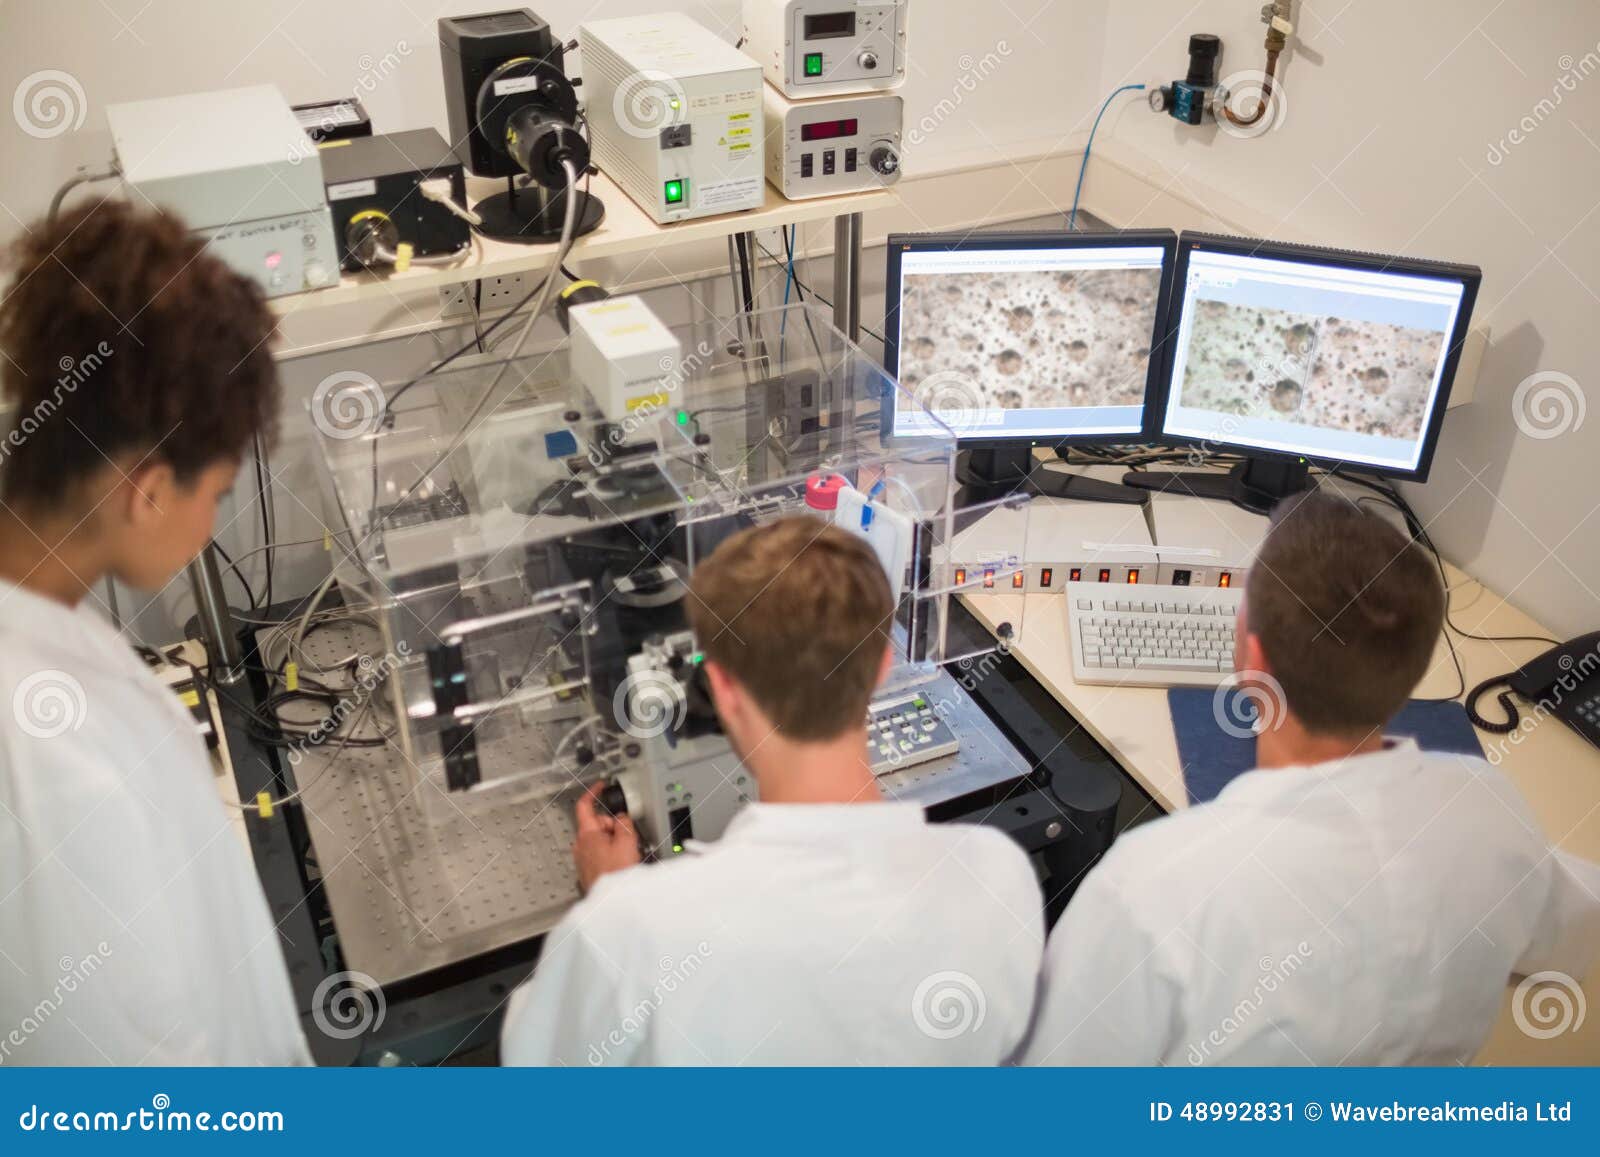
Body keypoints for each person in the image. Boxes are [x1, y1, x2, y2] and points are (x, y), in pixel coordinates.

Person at [1022, 491, 1600, 1066]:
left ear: (1252, 663)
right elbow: (1574, 939)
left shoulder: (1147, 889)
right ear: (1414, 668)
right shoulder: (1487, 814)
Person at [501, 516, 1043, 1065]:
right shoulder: (999, 880)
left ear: (721, 687)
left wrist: (608, 898)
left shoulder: (630, 933)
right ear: (883, 665)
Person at [0, 200, 310, 1064]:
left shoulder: (44, 616)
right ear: (144, 489)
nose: (210, 525)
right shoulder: (48, 762)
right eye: (214, 491)